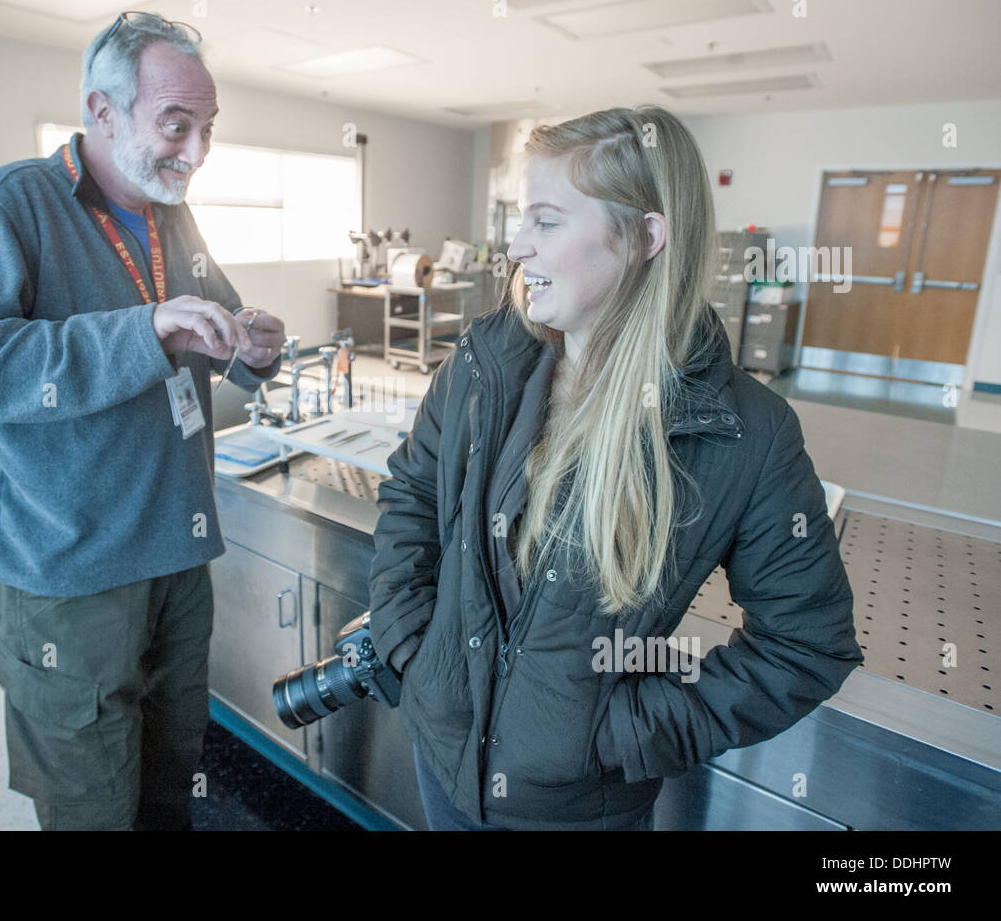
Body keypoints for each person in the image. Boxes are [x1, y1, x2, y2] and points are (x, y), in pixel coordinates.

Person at [368, 106, 863, 831]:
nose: (514, 245)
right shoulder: (485, 362)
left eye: (546, 220)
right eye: (519, 217)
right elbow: (412, 491)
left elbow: (806, 645)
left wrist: (620, 730)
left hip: (576, 809)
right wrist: (411, 645)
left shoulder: (744, 431)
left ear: (641, 237)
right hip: (443, 758)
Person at [0, 12, 287, 830]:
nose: (196, 152)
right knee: (89, 795)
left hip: (178, 552)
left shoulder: (172, 213)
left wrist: (255, 348)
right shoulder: (12, 205)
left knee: (170, 765)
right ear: (102, 110)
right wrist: (142, 331)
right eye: (175, 126)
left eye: (208, 130)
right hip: (68, 571)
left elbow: (213, 324)